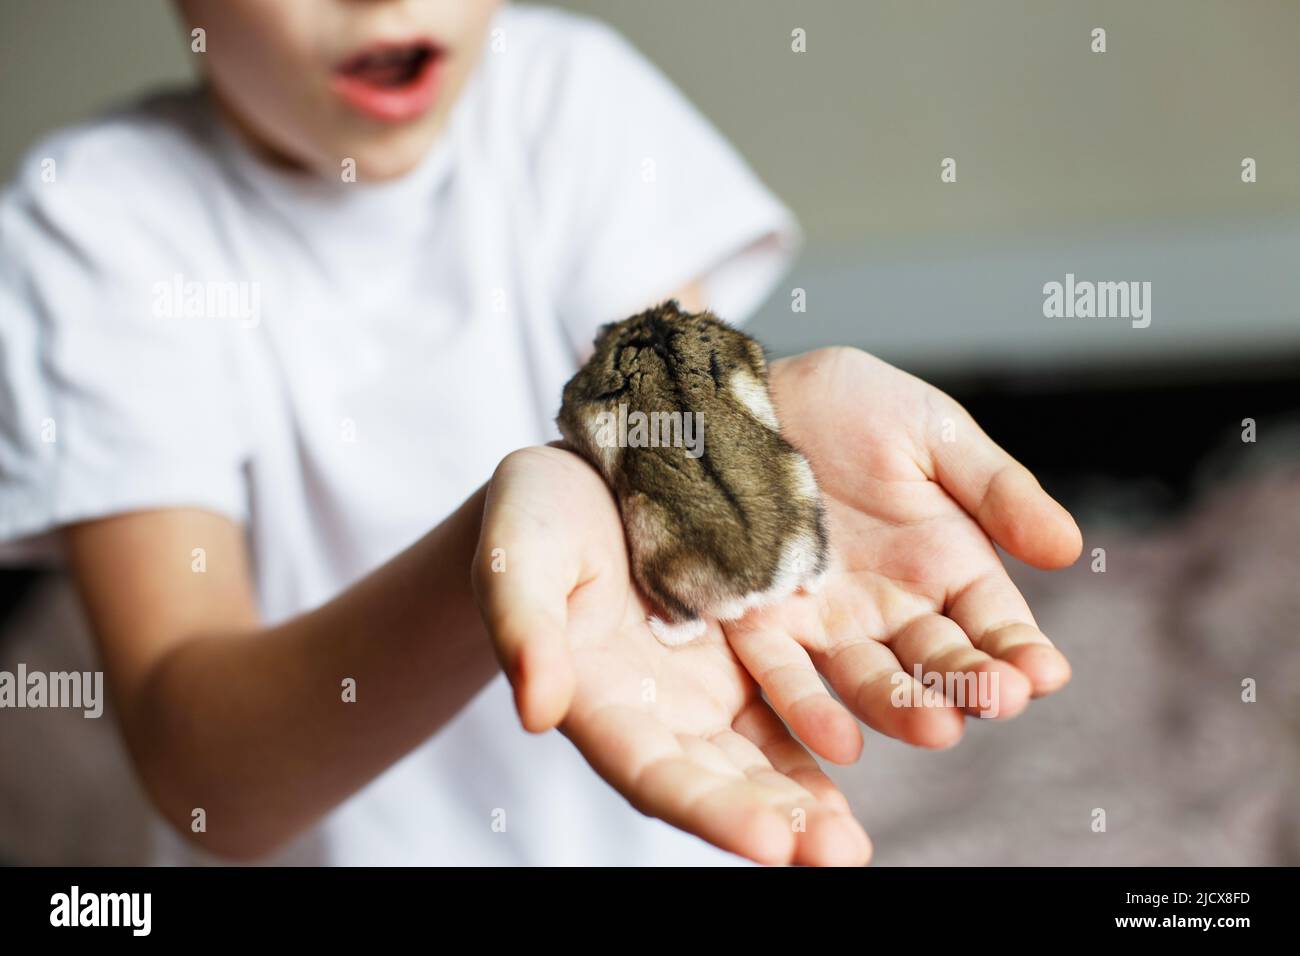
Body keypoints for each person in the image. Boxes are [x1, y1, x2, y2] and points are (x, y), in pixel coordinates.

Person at [0, 0, 1081, 866]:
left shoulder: (568, 98)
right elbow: (211, 783)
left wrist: (764, 432)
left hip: (685, 810)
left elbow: (683, 401)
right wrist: (497, 553)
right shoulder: (101, 219)